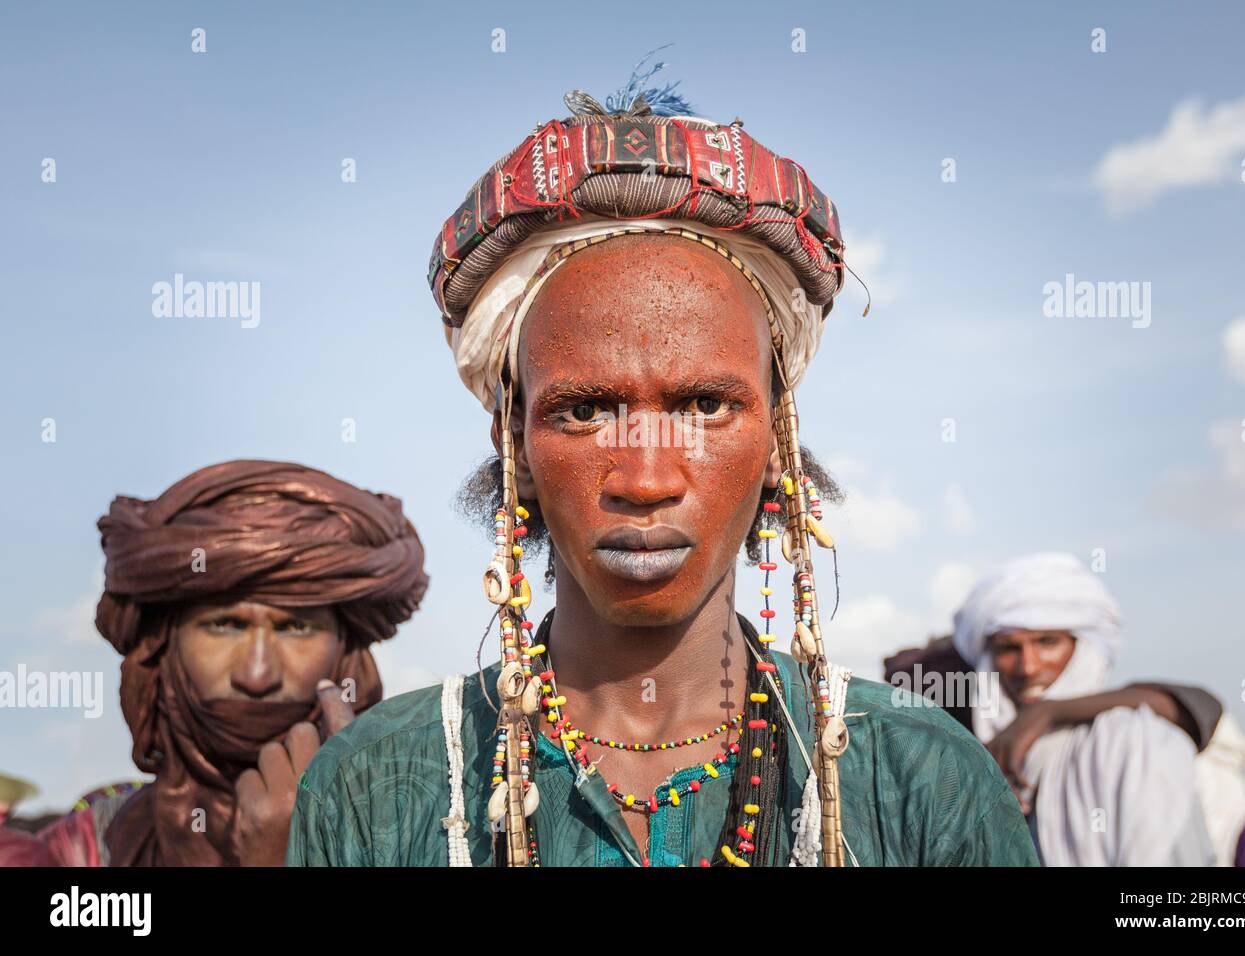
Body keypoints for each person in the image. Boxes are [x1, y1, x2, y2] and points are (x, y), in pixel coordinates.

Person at [287, 85, 1038, 867]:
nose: (646, 479)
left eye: (706, 405)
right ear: (515, 442)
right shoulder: (377, 788)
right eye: (584, 412)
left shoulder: (920, 778)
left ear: (778, 438)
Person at [0, 460, 427, 866]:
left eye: (295, 627)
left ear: (347, 652)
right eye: (225, 624)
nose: (257, 675)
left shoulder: (441, 833)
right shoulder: (77, 853)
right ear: (163, 650)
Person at [945, 551, 1215, 865]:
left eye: (1047, 642)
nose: (1028, 667)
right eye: (1009, 648)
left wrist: (1047, 712)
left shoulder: (1132, 743)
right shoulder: (973, 760)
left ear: (1082, 648)